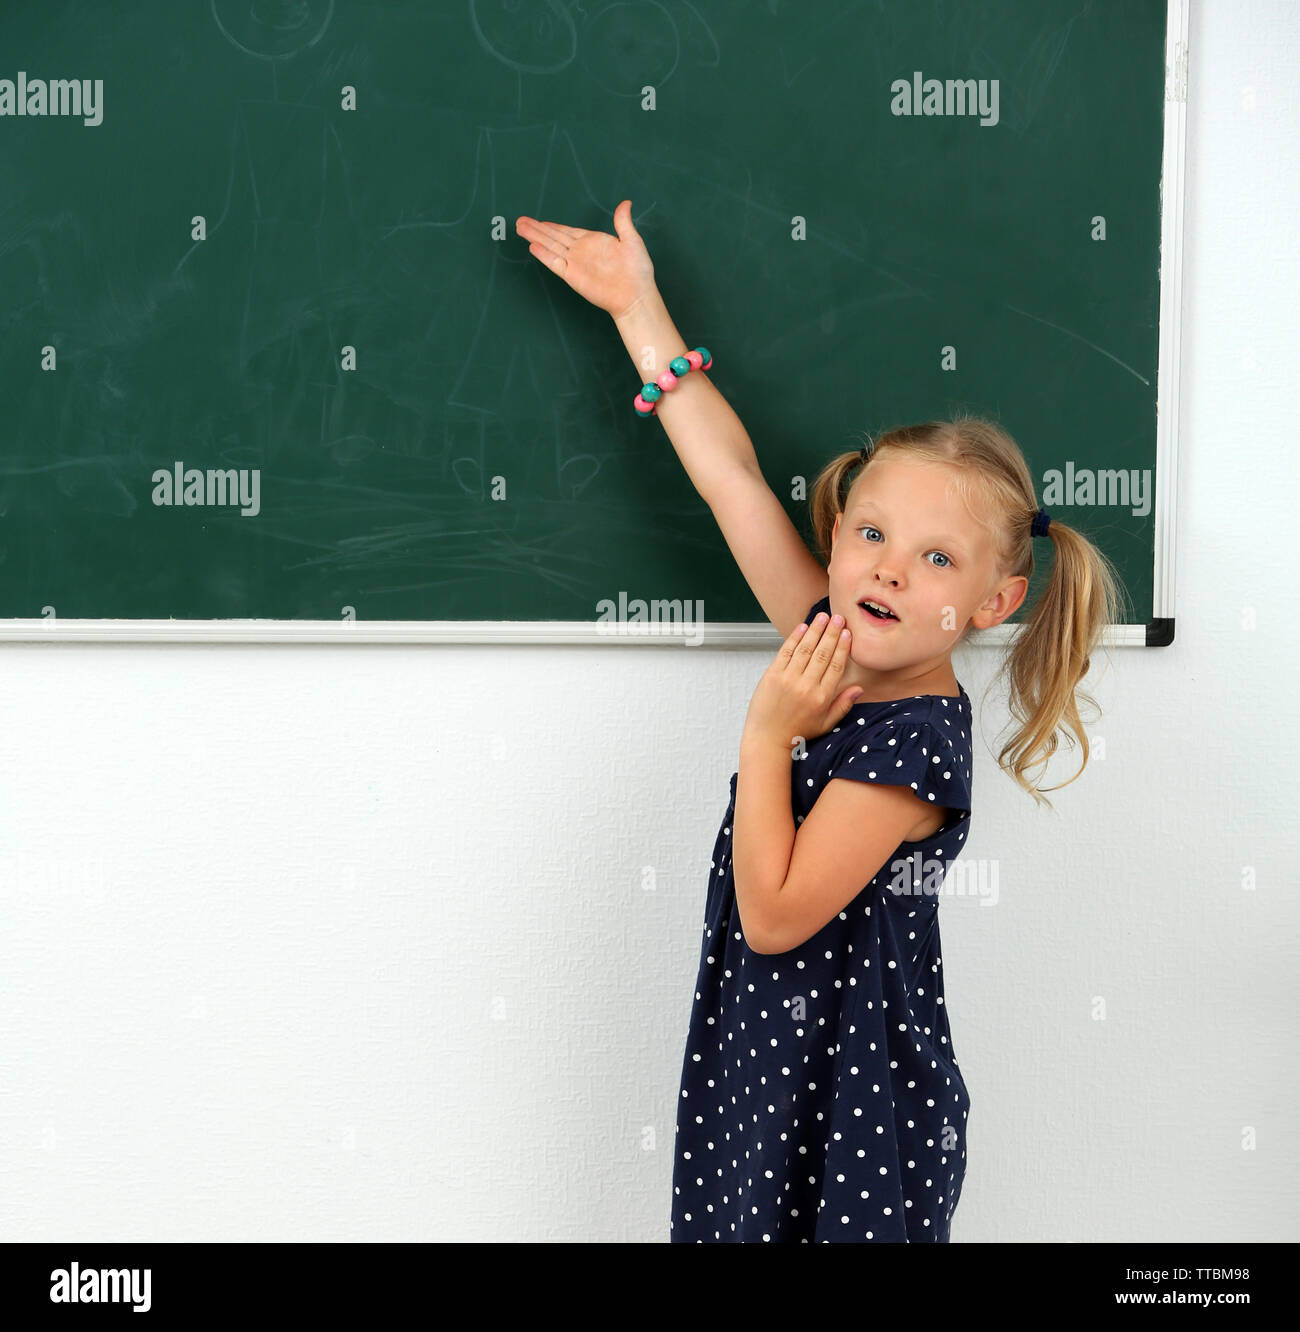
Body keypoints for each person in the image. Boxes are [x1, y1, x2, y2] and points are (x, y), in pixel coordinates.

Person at [516, 201, 1124, 1242]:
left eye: (937, 557)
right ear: (836, 537)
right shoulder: (830, 649)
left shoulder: (914, 740)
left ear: (993, 602)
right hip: (767, 1083)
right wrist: (637, 309)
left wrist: (767, 735)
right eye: (872, 534)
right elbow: (730, 479)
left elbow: (777, 916)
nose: (890, 569)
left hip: (854, 1116)